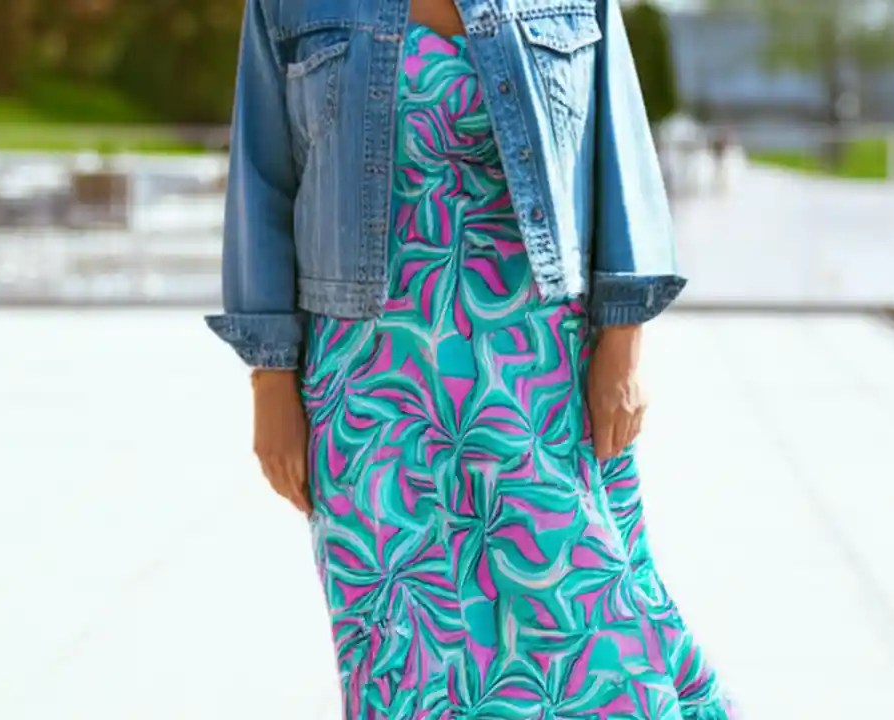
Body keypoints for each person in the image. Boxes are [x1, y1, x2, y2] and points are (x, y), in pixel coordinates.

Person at [206, 0, 735, 716]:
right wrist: (269, 380)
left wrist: (624, 344)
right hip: (370, 394)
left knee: (597, 633)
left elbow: (621, 152)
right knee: (406, 657)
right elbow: (263, 179)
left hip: (539, 376)